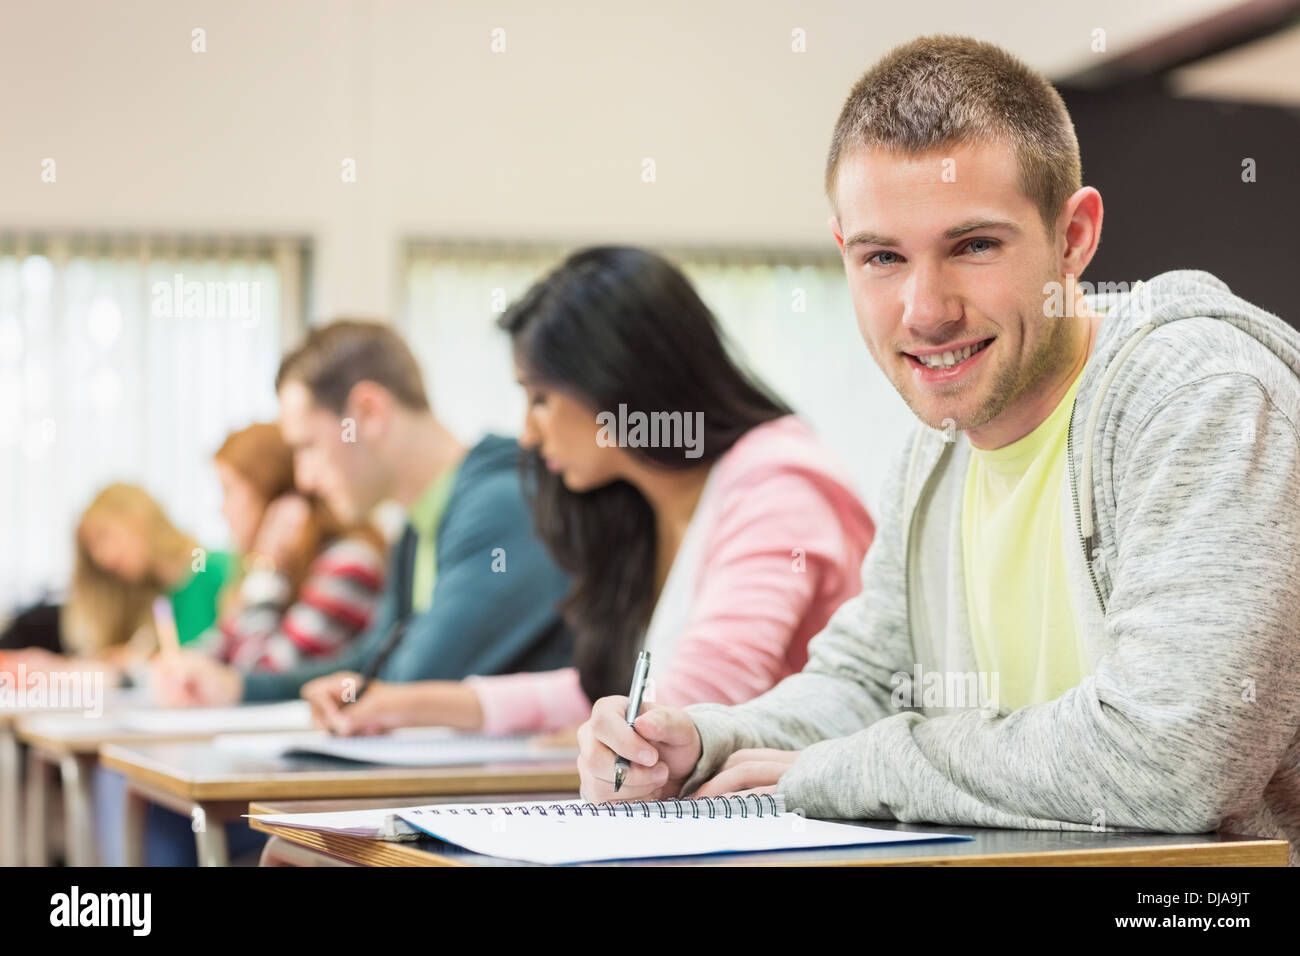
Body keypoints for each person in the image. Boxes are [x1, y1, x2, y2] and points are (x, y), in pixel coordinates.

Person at [575, 35, 1300, 864]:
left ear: (1074, 237)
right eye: (883, 257)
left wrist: (849, 769)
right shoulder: (939, 449)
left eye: (974, 246)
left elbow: (1173, 760)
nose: (925, 310)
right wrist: (701, 740)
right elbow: (867, 685)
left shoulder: (1201, 397)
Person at [301, 246, 875, 739]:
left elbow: (694, 705)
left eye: (541, 398)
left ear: (616, 379)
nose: (527, 432)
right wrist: (402, 707)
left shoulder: (776, 484)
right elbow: (610, 694)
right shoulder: (644, 506)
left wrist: (589, 734)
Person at [153, 319, 573, 709]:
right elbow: (369, 664)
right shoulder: (417, 525)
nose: (304, 479)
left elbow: (409, 680)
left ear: (369, 412)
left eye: (309, 446)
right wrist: (237, 687)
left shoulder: (502, 506)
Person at [184, 421, 386, 674]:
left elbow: (257, 672)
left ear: (275, 494)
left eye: (229, 491)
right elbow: (217, 651)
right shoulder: (273, 571)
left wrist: (268, 568)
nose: (222, 510)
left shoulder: (348, 566)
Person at [1, 483, 234, 686]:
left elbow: (221, 652)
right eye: (93, 550)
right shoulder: (156, 594)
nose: (103, 557)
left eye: (104, 536)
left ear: (138, 518)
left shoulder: (207, 564)